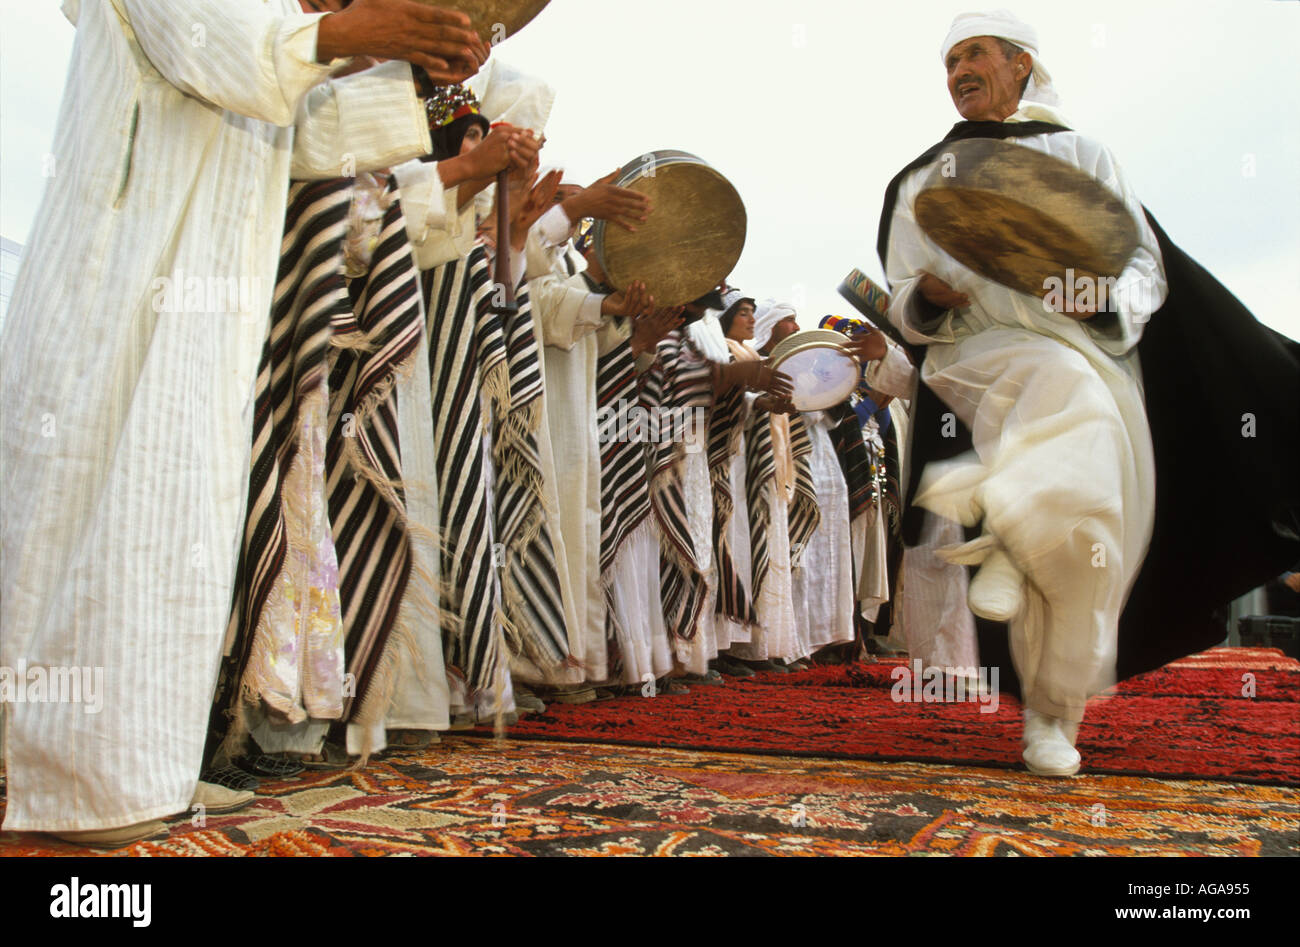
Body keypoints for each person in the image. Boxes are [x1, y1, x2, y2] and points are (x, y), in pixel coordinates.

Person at [0, 0, 488, 846]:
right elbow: (232, 52)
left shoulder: (277, 25)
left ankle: (131, 759)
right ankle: (58, 768)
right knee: (82, 512)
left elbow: (314, 140)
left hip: (207, 306)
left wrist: (416, 78)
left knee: (171, 517)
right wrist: (355, 33)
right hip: (117, 277)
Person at [877, 10, 1300, 776]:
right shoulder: (923, 177)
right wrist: (928, 299)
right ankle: (1010, 526)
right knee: (1064, 398)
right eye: (950, 63)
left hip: (1091, 353)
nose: (959, 72)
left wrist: (1096, 300)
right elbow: (903, 295)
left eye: (974, 55)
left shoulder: (1083, 155)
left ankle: (1051, 710)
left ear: (1022, 64)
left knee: (1091, 534)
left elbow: (1144, 269)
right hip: (978, 355)